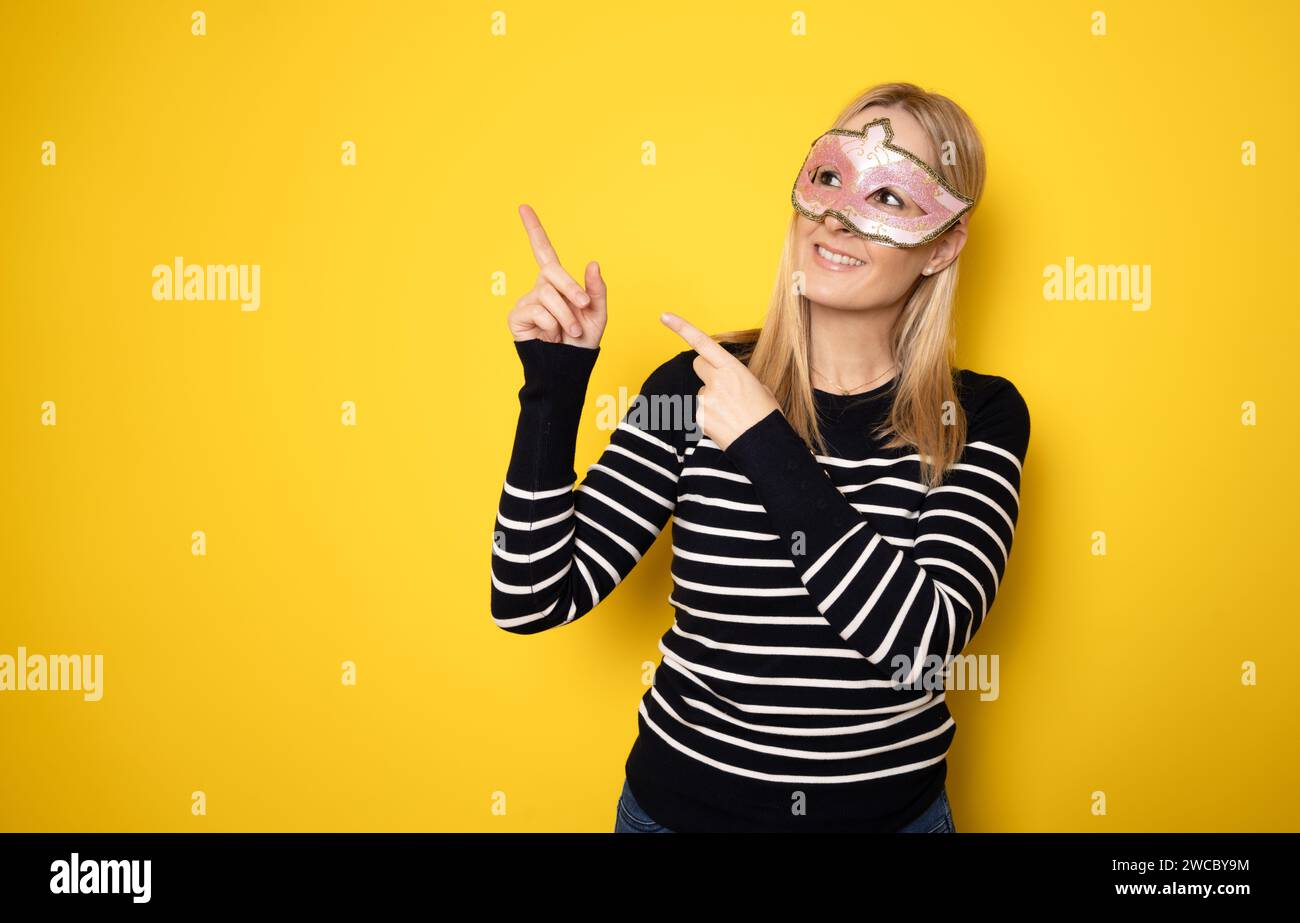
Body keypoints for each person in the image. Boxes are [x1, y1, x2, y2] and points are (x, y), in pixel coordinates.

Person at [490, 81, 1030, 833]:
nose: (839, 217)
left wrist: (762, 439)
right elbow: (530, 596)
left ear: (944, 244)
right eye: (831, 176)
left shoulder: (977, 416)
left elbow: (917, 643)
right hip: (680, 816)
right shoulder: (696, 384)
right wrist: (554, 384)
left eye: (891, 196)